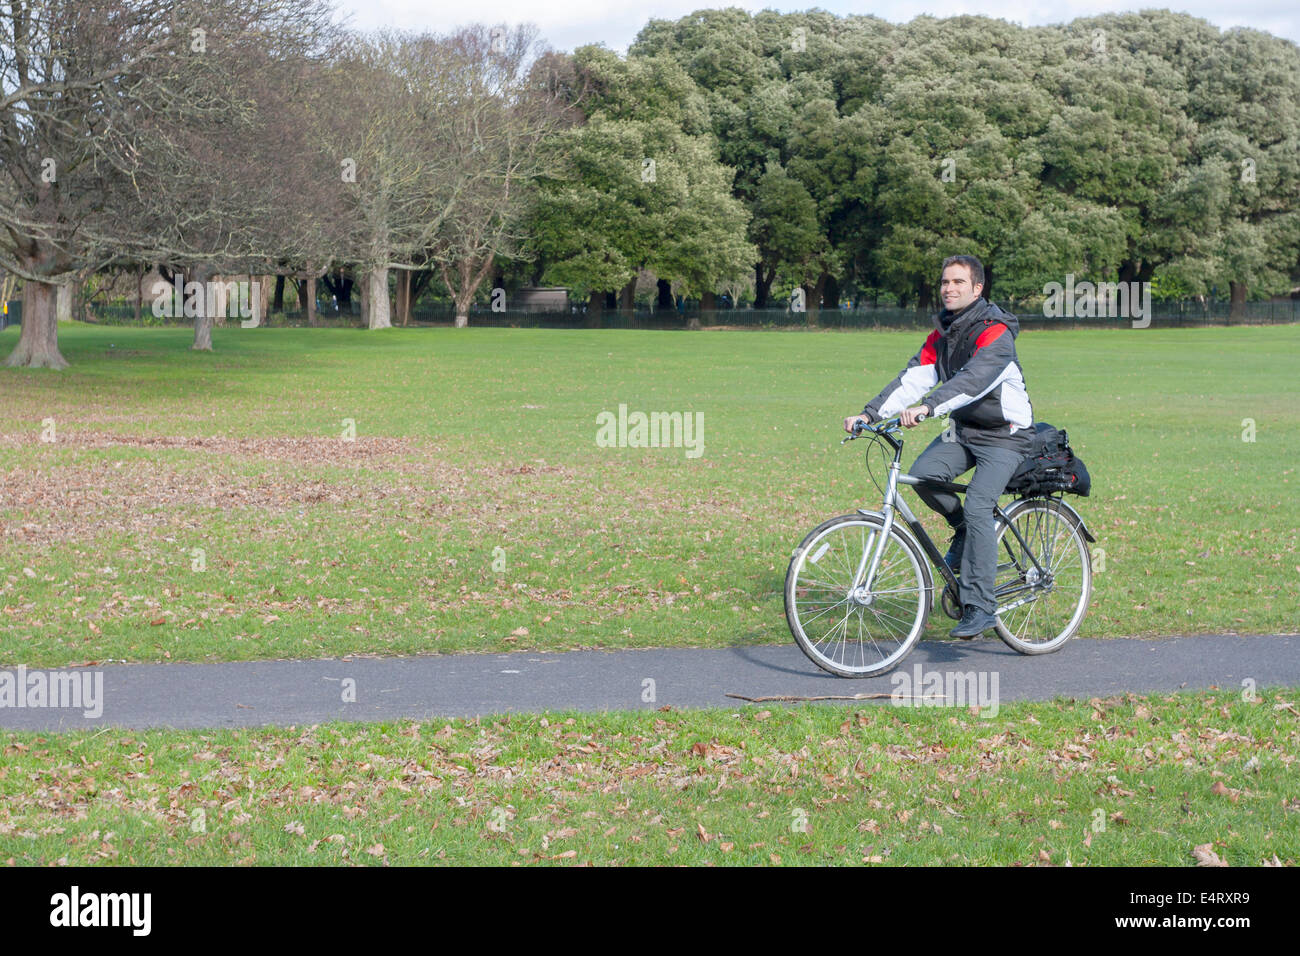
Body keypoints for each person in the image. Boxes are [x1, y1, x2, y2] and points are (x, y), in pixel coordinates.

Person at [843, 255, 1034, 639]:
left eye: (958, 282)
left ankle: (981, 606)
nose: (949, 288)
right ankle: (963, 531)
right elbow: (913, 379)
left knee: (980, 503)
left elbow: (974, 380)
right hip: (964, 430)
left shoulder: (995, 332)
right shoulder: (943, 333)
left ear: (977, 288)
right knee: (926, 477)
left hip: (1004, 435)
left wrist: (929, 406)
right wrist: (869, 413)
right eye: (945, 282)